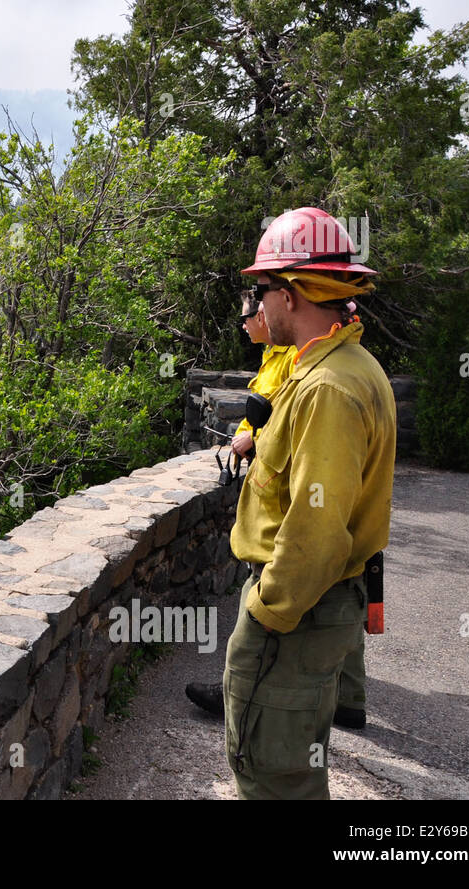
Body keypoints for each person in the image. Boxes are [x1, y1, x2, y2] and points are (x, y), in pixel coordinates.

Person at [221, 207, 395, 799]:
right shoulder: (342, 366)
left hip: (296, 614)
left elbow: (317, 531)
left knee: (271, 775)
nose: (257, 305)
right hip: (316, 610)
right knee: (292, 762)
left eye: (262, 291)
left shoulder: (327, 388)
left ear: (290, 294)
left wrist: (266, 611)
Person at [185, 294, 368, 730]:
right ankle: (348, 697)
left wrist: (253, 440)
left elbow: (286, 425)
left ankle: (240, 697)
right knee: (339, 588)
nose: (243, 324)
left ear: (270, 310)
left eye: (248, 314)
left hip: (284, 503)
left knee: (265, 599)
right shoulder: (294, 356)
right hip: (309, 503)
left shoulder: (305, 363)